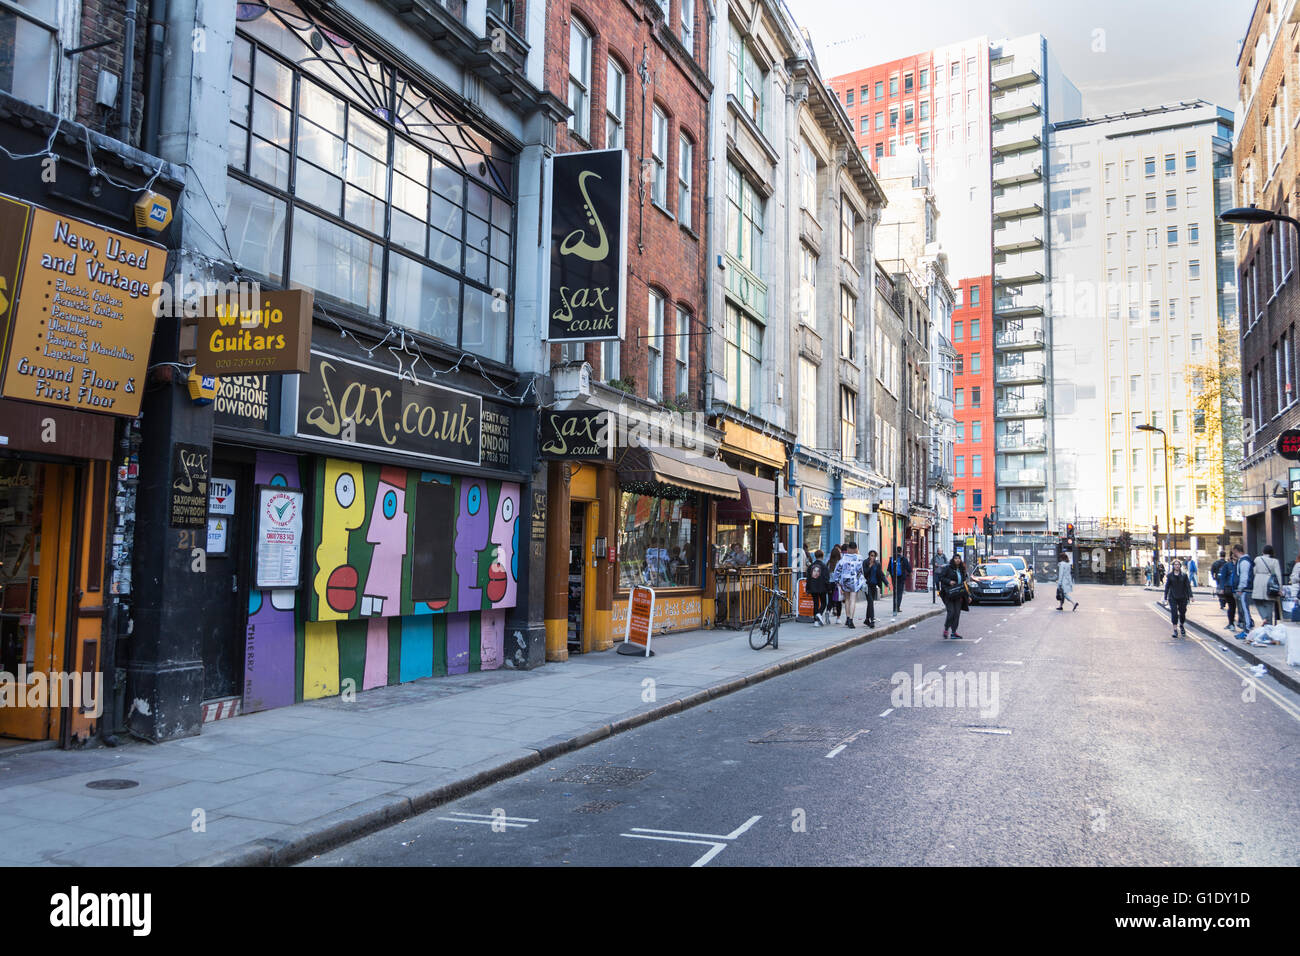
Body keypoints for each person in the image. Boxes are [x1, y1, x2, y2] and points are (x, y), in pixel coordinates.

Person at [1251, 543, 1283, 629]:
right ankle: (1269, 627)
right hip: (1269, 583)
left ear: (1263, 551)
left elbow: (1254, 571)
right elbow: (1278, 575)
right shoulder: (1275, 561)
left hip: (1258, 582)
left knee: (1257, 601)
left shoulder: (1257, 559)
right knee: (1269, 604)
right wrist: (1280, 588)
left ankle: (1264, 617)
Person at [937, 553, 968, 640]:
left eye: (959, 558)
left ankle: (954, 632)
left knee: (957, 614)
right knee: (951, 612)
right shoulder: (948, 568)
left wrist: (967, 596)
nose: (957, 560)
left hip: (958, 594)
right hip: (949, 594)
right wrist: (949, 581)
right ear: (953, 560)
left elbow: (964, 583)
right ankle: (946, 629)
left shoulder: (962, 569)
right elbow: (941, 578)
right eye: (956, 558)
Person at [836, 542, 865, 628]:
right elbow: (860, 571)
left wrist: (837, 581)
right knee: (853, 600)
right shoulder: (859, 558)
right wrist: (861, 582)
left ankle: (847, 618)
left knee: (847, 600)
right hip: (854, 581)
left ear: (848, 549)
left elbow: (838, 570)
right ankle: (851, 620)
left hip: (845, 581)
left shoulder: (843, 558)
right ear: (856, 549)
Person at [1164, 558, 1193, 638]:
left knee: (1182, 613)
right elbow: (1167, 587)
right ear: (1173, 566)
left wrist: (1191, 596)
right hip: (1173, 597)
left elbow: (1188, 587)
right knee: (1174, 613)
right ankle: (1175, 630)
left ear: (1180, 566)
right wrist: (1165, 598)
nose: (1177, 566)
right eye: (1175, 565)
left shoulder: (1184, 575)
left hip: (1182, 597)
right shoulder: (1170, 576)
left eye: (1178, 565)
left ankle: (1182, 625)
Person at [1233, 544, 1254, 639]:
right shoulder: (1243, 561)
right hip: (1244, 589)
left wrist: (1241, 588)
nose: (1234, 555)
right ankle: (1246, 629)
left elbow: (1244, 576)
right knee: (1244, 610)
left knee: (1245, 610)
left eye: (1234, 552)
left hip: (1245, 590)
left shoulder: (1244, 561)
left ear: (1237, 551)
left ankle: (1247, 630)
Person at [1214, 550, 1237, 630]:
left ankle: (1236, 623)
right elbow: (1223, 578)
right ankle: (1231, 623)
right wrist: (1222, 588)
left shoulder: (1238, 564)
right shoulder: (1227, 565)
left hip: (1237, 589)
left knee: (1236, 607)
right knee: (1231, 607)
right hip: (1229, 589)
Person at [864, 549, 887, 628]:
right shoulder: (865, 562)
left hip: (874, 585)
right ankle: (872, 620)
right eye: (871, 555)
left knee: (870, 603)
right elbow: (865, 573)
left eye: (874, 556)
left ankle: (867, 619)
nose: (872, 557)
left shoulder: (877, 564)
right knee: (870, 602)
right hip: (867, 585)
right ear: (869, 556)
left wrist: (886, 582)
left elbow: (880, 574)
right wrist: (869, 567)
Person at [806, 549, 830, 626]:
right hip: (822, 587)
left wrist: (807, 589)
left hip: (812, 587)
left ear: (815, 556)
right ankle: (819, 614)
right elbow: (826, 578)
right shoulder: (824, 566)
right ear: (822, 556)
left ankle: (816, 621)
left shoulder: (810, 566)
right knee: (824, 603)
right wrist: (828, 588)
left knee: (815, 603)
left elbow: (808, 578)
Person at [887, 546, 911, 617]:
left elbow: (888, 569)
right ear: (901, 551)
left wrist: (885, 578)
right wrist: (910, 575)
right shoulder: (904, 559)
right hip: (901, 578)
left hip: (894, 577)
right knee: (899, 593)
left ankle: (894, 606)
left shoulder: (892, 558)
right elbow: (909, 569)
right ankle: (897, 607)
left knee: (895, 592)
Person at [827, 545, 844, 622]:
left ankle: (827, 611)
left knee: (830, 600)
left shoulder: (829, 563)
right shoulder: (840, 563)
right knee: (838, 601)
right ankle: (838, 618)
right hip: (838, 585)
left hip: (830, 584)